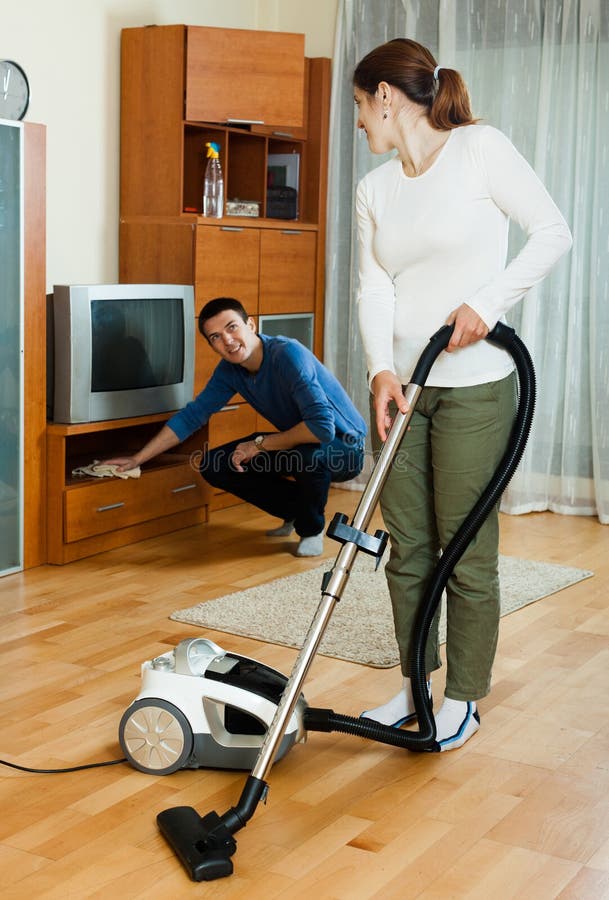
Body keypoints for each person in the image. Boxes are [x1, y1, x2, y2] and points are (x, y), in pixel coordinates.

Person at [353, 39, 572, 750]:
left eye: (360, 105)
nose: (359, 122)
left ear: (385, 96)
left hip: (476, 389)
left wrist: (485, 302)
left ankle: (464, 698)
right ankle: (416, 679)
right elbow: (372, 286)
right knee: (407, 547)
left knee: (465, 548)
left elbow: (550, 233)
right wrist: (379, 372)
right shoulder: (374, 189)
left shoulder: (479, 149)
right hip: (405, 392)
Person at [105, 296, 366, 557]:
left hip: (345, 448)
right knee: (215, 464)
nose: (227, 340)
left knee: (307, 456)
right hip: (301, 439)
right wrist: (138, 459)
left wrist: (259, 444)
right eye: (215, 337)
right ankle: (297, 512)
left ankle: (311, 529)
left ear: (250, 325)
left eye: (232, 327)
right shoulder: (229, 371)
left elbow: (322, 429)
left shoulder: (288, 355)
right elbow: (193, 416)